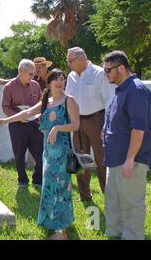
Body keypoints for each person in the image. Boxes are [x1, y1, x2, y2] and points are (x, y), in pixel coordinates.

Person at [0, 69, 80, 240]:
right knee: (49, 185)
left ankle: (61, 232)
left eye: (62, 79)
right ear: (48, 84)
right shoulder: (46, 103)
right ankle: (54, 222)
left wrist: (58, 128)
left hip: (62, 151)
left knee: (61, 186)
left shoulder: (69, 101)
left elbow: (76, 125)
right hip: (48, 151)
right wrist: (6, 120)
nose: (59, 82)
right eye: (55, 79)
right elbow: (26, 113)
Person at [102, 51, 151, 240]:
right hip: (114, 160)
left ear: (121, 68)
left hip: (130, 161)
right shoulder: (120, 90)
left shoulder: (136, 90)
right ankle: (115, 235)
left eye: (108, 70)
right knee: (114, 203)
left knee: (131, 205)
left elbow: (139, 129)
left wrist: (130, 159)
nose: (106, 74)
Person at [65, 47, 115, 201]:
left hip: (97, 121)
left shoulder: (100, 73)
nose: (68, 64)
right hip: (77, 122)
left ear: (81, 59)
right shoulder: (71, 76)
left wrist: (106, 124)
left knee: (101, 159)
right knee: (80, 159)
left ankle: (109, 195)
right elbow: (68, 99)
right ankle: (85, 195)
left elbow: (110, 100)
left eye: (70, 61)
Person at [1, 59, 43, 188]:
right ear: (21, 72)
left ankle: (37, 179)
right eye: (30, 74)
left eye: (34, 74)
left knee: (40, 153)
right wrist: (18, 117)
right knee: (19, 153)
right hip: (17, 125)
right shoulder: (9, 87)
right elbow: (5, 107)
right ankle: (22, 180)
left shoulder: (36, 85)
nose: (33, 76)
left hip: (35, 124)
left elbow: (42, 103)